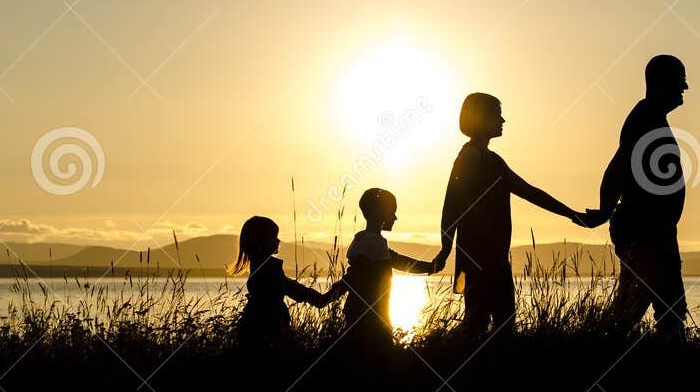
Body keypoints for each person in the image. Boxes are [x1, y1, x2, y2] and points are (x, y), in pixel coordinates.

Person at [434, 92, 592, 335]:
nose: (503, 120)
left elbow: (530, 192)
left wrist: (572, 214)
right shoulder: (470, 157)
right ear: (481, 118)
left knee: (501, 324)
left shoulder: (493, 160)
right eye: (497, 114)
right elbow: (451, 203)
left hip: (496, 259)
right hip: (478, 258)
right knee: (478, 324)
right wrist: (446, 246)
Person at [594, 55, 691, 335]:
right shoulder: (645, 118)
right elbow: (616, 168)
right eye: (680, 79)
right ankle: (599, 359)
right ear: (661, 82)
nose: (685, 87)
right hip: (645, 230)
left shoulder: (653, 118)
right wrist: (603, 211)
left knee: (671, 309)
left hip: (658, 231)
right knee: (630, 309)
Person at [335, 187, 437, 343]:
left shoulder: (369, 240)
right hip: (369, 320)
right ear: (380, 214)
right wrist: (328, 297)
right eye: (392, 212)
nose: (395, 218)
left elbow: (398, 261)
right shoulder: (373, 242)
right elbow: (355, 276)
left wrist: (430, 267)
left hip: (366, 315)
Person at [233, 215, 342, 350]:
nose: (278, 240)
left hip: (253, 334)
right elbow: (304, 295)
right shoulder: (270, 271)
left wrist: (326, 297)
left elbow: (301, 293)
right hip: (268, 337)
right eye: (274, 236)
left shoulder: (259, 268)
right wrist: (338, 290)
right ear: (262, 241)